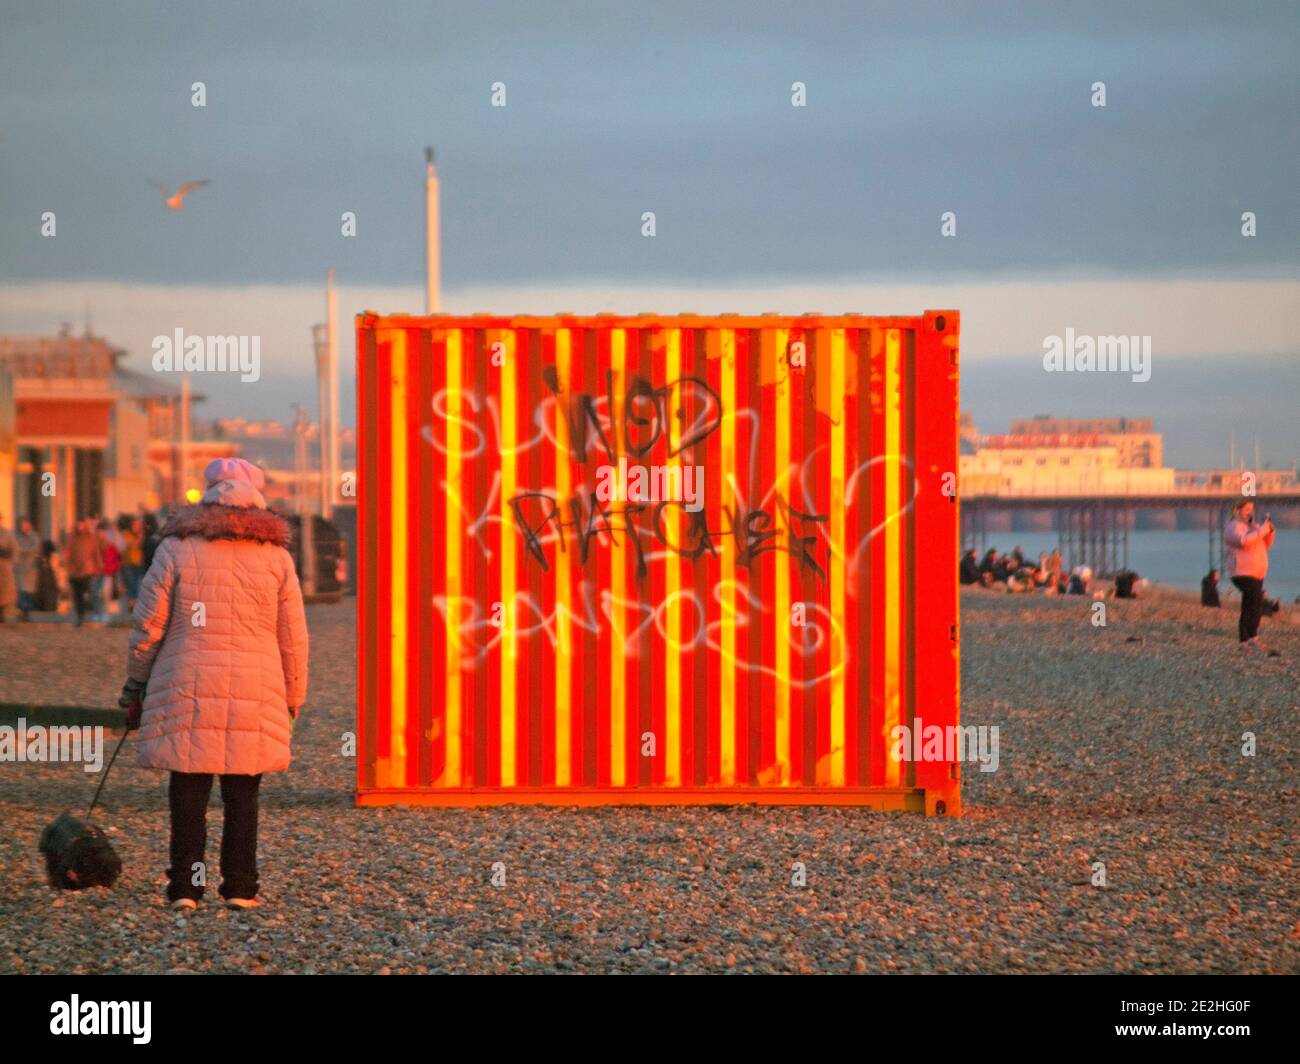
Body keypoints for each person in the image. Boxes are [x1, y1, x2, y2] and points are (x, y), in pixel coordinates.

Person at [119, 458, 309, 911]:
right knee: (243, 790)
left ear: (206, 494)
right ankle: (241, 887)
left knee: (188, 788)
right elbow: (293, 635)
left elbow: (149, 626)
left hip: (185, 680)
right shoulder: (276, 557)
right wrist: (294, 695)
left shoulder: (175, 549)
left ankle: (186, 887)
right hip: (257, 684)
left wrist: (135, 685)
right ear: (258, 499)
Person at [1224, 500, 1276, 653]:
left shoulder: (1252, 527)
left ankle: (1250, 638)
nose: (1250, 512)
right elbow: (1243, 541)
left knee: (1254, 603)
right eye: (1246, 509)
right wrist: (1260, 531)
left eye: (1251, 509)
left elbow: (1266, 544)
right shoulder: (1232, 527)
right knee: (1252, 602)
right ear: (1237, 511)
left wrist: (1269, 531)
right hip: (1241, 572)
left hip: (1257, 572)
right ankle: (1245, 640)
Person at [63, 517, 103, 626]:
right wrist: (67, 565)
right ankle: (79, 616)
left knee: (85, 593)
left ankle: (84, 614)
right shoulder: (72, 538)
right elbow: (67, 552)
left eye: (82, 525)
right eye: (78, 525)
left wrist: (99, 564)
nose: (80, 527)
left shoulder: (90, 538)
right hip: (74, 572)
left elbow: (96, 552)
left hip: (87, 571)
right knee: (77, 595)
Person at [14, 517, 41, 620]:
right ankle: (22, 612)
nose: (23, 527)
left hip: (30, 568)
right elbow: (15, 547)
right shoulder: (17, 536)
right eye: (22, 525)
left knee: (28, 592)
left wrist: (23, 550)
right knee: (21, 591)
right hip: (20, 568)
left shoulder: (34, 536)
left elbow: (35, 548)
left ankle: (27, 613)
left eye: (25, 524)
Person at [119, 515, 145, 611]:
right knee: (131, 585)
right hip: (128, 564)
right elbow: (129, 545)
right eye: (135, 525)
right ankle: (131, 605)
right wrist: (138, 539)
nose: (137, 527)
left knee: (137, 585)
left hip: (138, 563)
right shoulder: (126, 534)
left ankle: (135, 605)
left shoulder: (141, 534)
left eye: (139, 525)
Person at [0, 515, 16, 624]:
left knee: (4, 595)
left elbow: (14, 550)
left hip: (4, 568)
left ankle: (2, 615)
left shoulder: (7, 534)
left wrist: (9, 560)